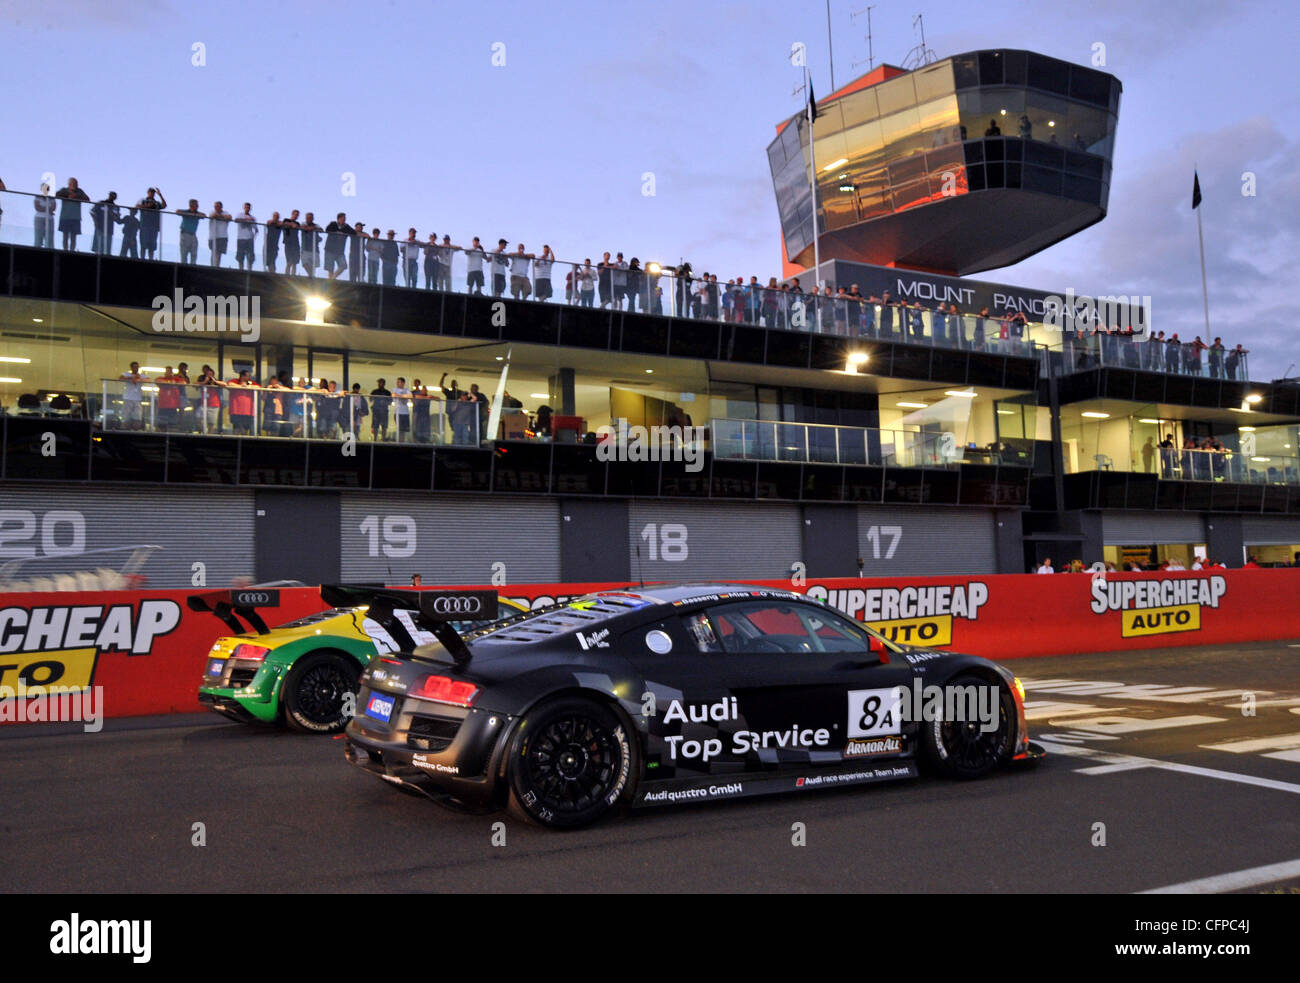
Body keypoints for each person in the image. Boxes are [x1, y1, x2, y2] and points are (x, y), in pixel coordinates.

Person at [56, 177, 90, 251]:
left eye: (76, 183)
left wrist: (76, 196)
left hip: (76, 218)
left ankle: (72, 251)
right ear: (69, 184)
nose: (76, 185)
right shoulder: (64, 190)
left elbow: (87, 199)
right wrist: (67, 195)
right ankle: (65, 250)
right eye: (74, 183)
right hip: (65, 217)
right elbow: (57, 195)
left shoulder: (80, 191)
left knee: (73, 237)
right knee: (65, 236)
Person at [136, 187, 166, 259]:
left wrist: (160, 195)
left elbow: (164, 205)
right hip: (144, 226)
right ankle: (142, 258)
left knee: (152, 246)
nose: (152, 193)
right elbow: (137, 206)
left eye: (153, 192)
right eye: (150, 192)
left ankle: (150, 259)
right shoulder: (143, 200)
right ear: (148, 192)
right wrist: (147, 206)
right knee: (143, 244)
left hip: (154, 227)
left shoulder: (156, 203)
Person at [226, 369, 259, 435]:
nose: (249, 377)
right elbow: (229, 384)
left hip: (248, 411)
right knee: (236, 427)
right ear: (242, 376)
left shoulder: (250, 383)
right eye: (247, 376)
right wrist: (241, 386)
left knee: (246, 428)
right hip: (236, 410)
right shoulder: (235, 381)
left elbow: (258, 387)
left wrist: (248, 386)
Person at [119, 362, 147, 430]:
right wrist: (132, 378)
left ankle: (136, 430)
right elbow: (120, 378)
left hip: (137, 399)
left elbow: (149, 380)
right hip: (128, 398)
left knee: (138, 417)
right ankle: (127, 430)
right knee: (126, 417)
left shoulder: (141, 375)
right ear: (131, 368)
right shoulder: (126, 374)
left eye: (137, 367)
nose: (136, 368)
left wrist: (139, 379)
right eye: (134, 367)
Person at [90, 191, 119, 255]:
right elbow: (92, 212)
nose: (112, 197)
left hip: (109, 229)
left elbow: (117, 219)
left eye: (114, 196)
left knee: (107, 248)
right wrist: (95, 221)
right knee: (98, 247)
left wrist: (114, 215)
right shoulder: (101, 203)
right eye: (111, 195)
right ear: (109, 195)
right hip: (99, 227)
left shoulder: (115, 207)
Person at [195, 365, 221, 432]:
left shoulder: (216, 381)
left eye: (210, 375)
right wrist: (205, 382)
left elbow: (225, 384)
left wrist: (215, 382)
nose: (209, 376)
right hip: (203, 404)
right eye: (208, 375)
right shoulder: (202, 380)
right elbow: (195, 384)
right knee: (198, 418)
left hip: (214, 405)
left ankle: (210, 435)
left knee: (211, 423)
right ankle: (203, 431)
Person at [324, 213, 350, 280]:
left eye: (345, 219)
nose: (344, 220)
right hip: (330, 249)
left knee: (343, 265)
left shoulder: (346, 227)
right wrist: (337, 232)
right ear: (339, 218)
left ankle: (333, 278)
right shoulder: (333, 224)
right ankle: (330, 280)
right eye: (343, 218)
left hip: (340, 251)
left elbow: (354, 233)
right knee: (330, 267)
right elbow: (327, 230)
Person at [177, 199, 203, 265]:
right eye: (196, 205)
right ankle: (183, 267)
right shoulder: (186, 212)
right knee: (184, 253)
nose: (197, 206)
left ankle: (193, 266)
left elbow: (204, 216)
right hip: (185, 234)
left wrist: (195, 214)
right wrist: (188, 214)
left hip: (193, 235)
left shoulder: (197, 214)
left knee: (194, 253)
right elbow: (177, 211)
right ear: (191, 205)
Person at [207, 201, 232, 267]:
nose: (216, 208)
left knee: (219, 253)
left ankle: (217, 266)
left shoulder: (226, 212)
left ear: (221, 207)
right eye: (215, 206)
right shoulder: (212, 212)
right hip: (213, 236)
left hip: (222, 236)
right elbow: (213, 216)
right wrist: (223, 217)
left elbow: (229, 217)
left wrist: (219, 216)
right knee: (213, 252)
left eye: (218, 206)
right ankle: (212, 266)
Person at [234, 203, 258, 270]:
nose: (247, 209)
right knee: (240, 255)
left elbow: (256, 229)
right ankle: (241, 269)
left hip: (249, 239)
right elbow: (236, 220)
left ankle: (249, 269)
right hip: (241, 238)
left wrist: (253, 237)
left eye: (248, 207)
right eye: (246, 207)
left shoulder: (253, 218)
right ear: (244, 208)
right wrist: (246, 220)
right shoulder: (240, 215)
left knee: (250, 256)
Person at [33, 183, 57, 248]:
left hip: (49, 219)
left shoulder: (52, 198)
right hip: (39, 218)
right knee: (38, 236)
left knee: (49, 237)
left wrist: (44, 208)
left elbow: (54, 208)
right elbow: (37, 207)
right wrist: (49, 210)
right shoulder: (38, 197)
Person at [299, 212, 322, 278]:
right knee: (304, 263)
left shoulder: (316, 225)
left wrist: (312, 228)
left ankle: (311, 276)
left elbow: (321, 229)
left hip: (314, 249)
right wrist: (312, 228)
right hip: (305, 248)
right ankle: (311, 276)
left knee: (313, 265)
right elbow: (303, 228)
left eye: (310, 218)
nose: (309, 219)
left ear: (313, 218)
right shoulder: (303, 224)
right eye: (308, 218)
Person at [391, 377, 412, 442]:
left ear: (403, 383)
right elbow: (394, 395)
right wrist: (404, 396)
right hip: (398, 412)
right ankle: (399, 441)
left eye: (399, 382)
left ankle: (402, 441)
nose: (397, 383)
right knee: (399, 429)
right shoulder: (395, 389)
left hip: (405, 412)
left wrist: (399, 396)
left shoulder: (407, 389)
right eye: (397, 382)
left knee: (404, 429)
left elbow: (410, 396)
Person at [281, 209, 301, 275]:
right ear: (292, 214)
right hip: (288, 243)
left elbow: (298, 227)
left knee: (294, 262)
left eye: (297, 215)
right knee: (289, 261)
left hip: (296, 244)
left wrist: (293, 225)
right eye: (295, 214)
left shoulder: (297, 223)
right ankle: (287, 275)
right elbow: (284, 224)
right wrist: (291, 224)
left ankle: (293, 275)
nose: (296, 216)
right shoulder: (286, 220)